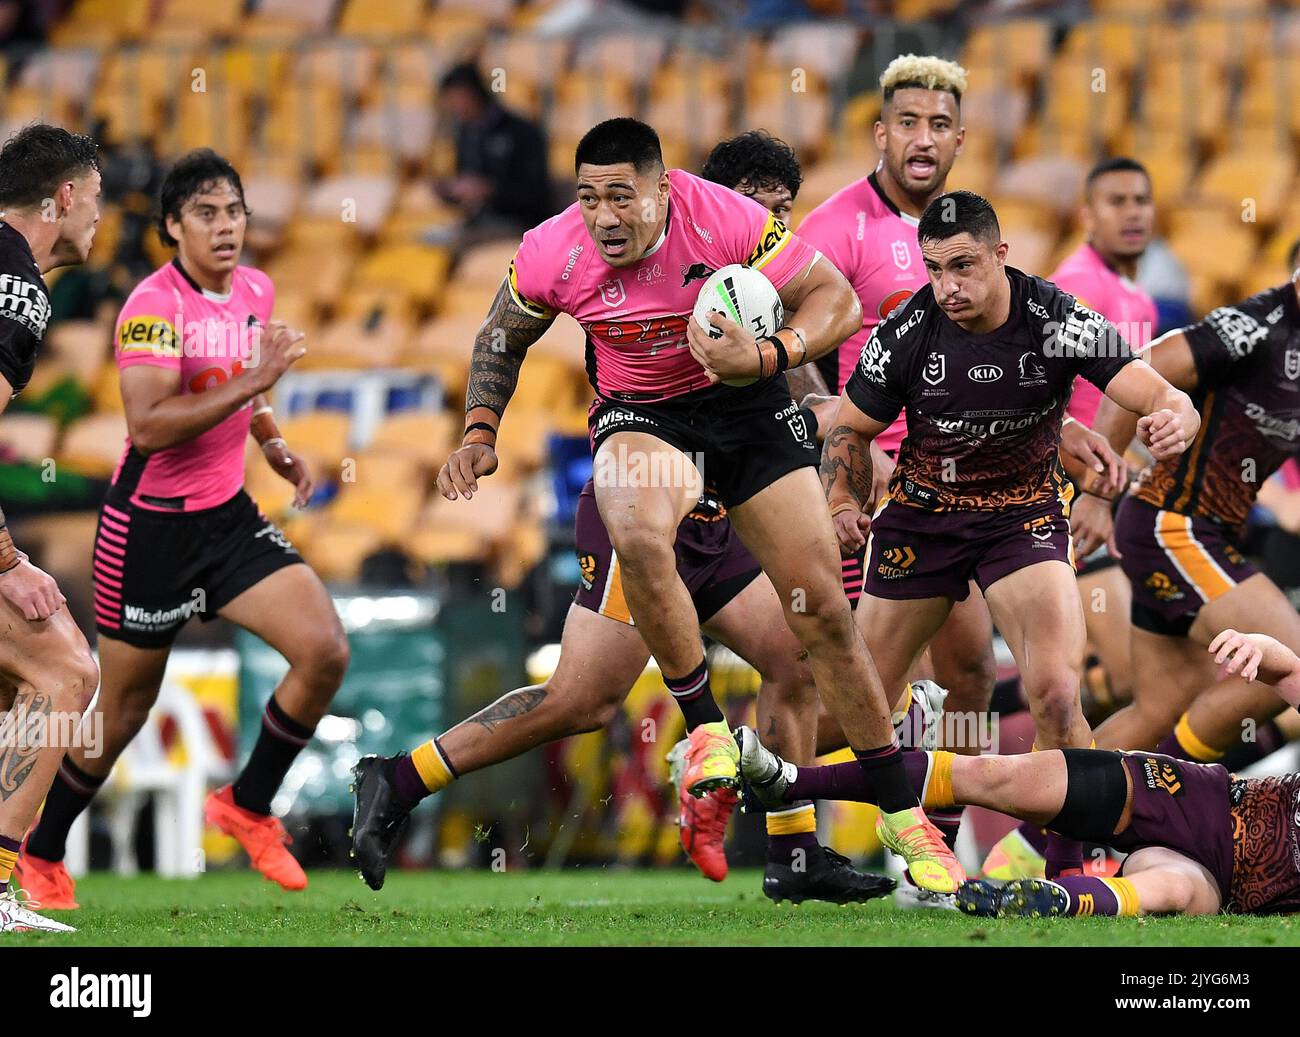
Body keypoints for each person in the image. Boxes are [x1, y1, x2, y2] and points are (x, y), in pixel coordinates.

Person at [364, 117, 966, 894]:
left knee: (812, 630)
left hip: (741, 423)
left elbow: (834, 304)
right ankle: (709, 734)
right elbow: (499, 335)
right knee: (599, 650)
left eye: (622, 196)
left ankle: (819, 842)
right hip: (644, 423)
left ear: (665, 190)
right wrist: (480, 431)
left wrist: (769, 356)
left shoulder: (730, 228)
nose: (606, 216)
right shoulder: (558, 248)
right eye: (590, 197)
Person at [821, 189, 1199, 881]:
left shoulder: (1056, 318)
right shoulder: (908, 329)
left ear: (1001, 254)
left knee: (1056, 693)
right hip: (922, 519)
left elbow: (1154, 390)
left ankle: (1065, 865)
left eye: (963, 266)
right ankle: (802, 797)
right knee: (856, 702)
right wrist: (844, 497)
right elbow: (849, 428)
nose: (948, 287)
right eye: (934, 269)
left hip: (1020, 519)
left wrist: (1179, 415)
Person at [17, 149, 351, 908]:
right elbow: (151, 422)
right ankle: (42, 850)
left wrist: (272, 442)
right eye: (206, 213)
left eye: (234, 211)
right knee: (125, 710)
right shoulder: (152, 307)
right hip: (150, 529)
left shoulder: (255, 290)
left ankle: (248, 804)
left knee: (324, 648)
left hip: (227, 517)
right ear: (172, 226)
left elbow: (241, 389)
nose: (226, 226)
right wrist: (255, 382)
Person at [795, 55, 999, 874]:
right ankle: (752, 769)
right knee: (873, 692)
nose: (923, 137)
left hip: (962, 482)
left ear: (959, 139)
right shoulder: (838, 225)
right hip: (872, 485)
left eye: (939, 125)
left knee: (972, 675)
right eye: (908, 122)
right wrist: (834, 425)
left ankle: (935, 851)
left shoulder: (964, 233)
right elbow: (779, 338)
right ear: (881, 133)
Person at [737, 627, 1300, 918]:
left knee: (1171, 890)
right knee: (994, 777)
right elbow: (1287, 671)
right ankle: (790, 781)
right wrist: (1259, 648)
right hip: (1199, 803)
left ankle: (1057, 899)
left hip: (1216, 883)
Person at [982, 156, 1160, 882]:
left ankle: (1043, 836)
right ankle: (1051, 833)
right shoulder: (1080, 287)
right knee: (1113, 685)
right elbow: (1059, 402)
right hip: (1065, 511)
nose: (1134, 212)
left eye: (1143, 200)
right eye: (1116, 200)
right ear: (1085, 213)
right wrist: (1093, 491)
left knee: (1093, 687)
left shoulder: (1131, 294)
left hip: (1102, 508)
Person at [1079, 273, 1300, 771]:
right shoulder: (1253, 327)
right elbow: (1130, 374)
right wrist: (1096, 491)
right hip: (1173, 525)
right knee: (1288, 662)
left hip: (1204, 533)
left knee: (1161, 708)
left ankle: (1031, 842)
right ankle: (1172, 799)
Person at [0, 124, 102, 933]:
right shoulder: (17, 285)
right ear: (63, 197)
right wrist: (6, 559)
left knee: (12, 687)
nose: (100, 219)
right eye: (96, 200)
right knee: (64, 668)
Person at [436, 63, 552, 238]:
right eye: (450, 102)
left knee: (455, 245)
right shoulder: (464, 133)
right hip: (478, 221)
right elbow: (464, 181)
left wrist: (489, 189)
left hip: (520, 223)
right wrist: (448, 190)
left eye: (457, 99)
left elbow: (535, 192)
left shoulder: (522, 131)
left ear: (475, 93)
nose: (455, 108)